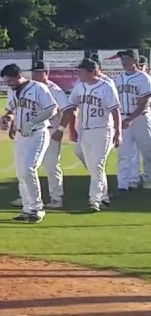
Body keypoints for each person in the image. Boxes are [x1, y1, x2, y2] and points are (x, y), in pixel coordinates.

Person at [0, 64, 59, 222]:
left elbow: (52, 109)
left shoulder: (38, 88)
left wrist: (32, 122)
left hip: (37, 133)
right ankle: (27, 209)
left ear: (19, 75)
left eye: (10, 80)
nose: (8, 84)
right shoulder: (12, 91)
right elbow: (12, 111)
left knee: (28, 168)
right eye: (6, 81)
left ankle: (37, 208)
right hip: (20, 136)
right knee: (20, 173)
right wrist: (6, 119)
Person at [63, 58, 122, 212]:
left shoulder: (106, 87)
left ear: (93, 71)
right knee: (94, 166)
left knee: (96, 165)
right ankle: (104, 197)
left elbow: (115, 111)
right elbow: (72, 107)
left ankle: (94, 200)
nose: (79, 73)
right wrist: (71, 129)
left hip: (103, 129)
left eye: (81, 71)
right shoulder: (79, 86)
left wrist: (118, 132)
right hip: (85, 130)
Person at [30, 61, 69, 210]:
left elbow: (68, 110)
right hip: (34, 130)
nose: (35, 75)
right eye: (34, 72)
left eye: (39, 72)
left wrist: (60, 129)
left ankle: (56, 197)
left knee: (51, 166)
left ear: (47, 73)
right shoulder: (30, 87)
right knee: (27, 165)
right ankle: (26, 196)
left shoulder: (55, 90)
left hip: (51, 130)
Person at [112, 50, 151, 193]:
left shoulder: (144, 78)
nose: (124, 62)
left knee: (147, 150)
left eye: (127, 59)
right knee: (123, 152)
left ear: (135, 60)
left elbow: (145, 102)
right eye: (122, 59)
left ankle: (148, 179)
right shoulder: (119, 78)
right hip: (123, 117)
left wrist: (131, 118)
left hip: (141, 118)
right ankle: (125, 183)